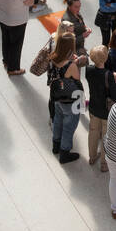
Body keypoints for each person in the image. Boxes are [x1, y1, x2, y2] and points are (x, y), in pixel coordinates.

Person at [47, 31, 84, 164]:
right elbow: (77, 81)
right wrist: (75, 62)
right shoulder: (71, 65)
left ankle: (55, 146)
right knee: (69, 127)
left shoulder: (52, 57)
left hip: (56, 96)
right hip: (70, 101)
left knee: (57, 121)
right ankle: (64, 152)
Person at [87, 44, 116, 172]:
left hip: (93, 108)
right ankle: (104, 162)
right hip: (106, 112)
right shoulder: (109, 75)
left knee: (93, 132)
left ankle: (92, 156)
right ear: (105, 58)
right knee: (106, 137)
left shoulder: (89, 70)